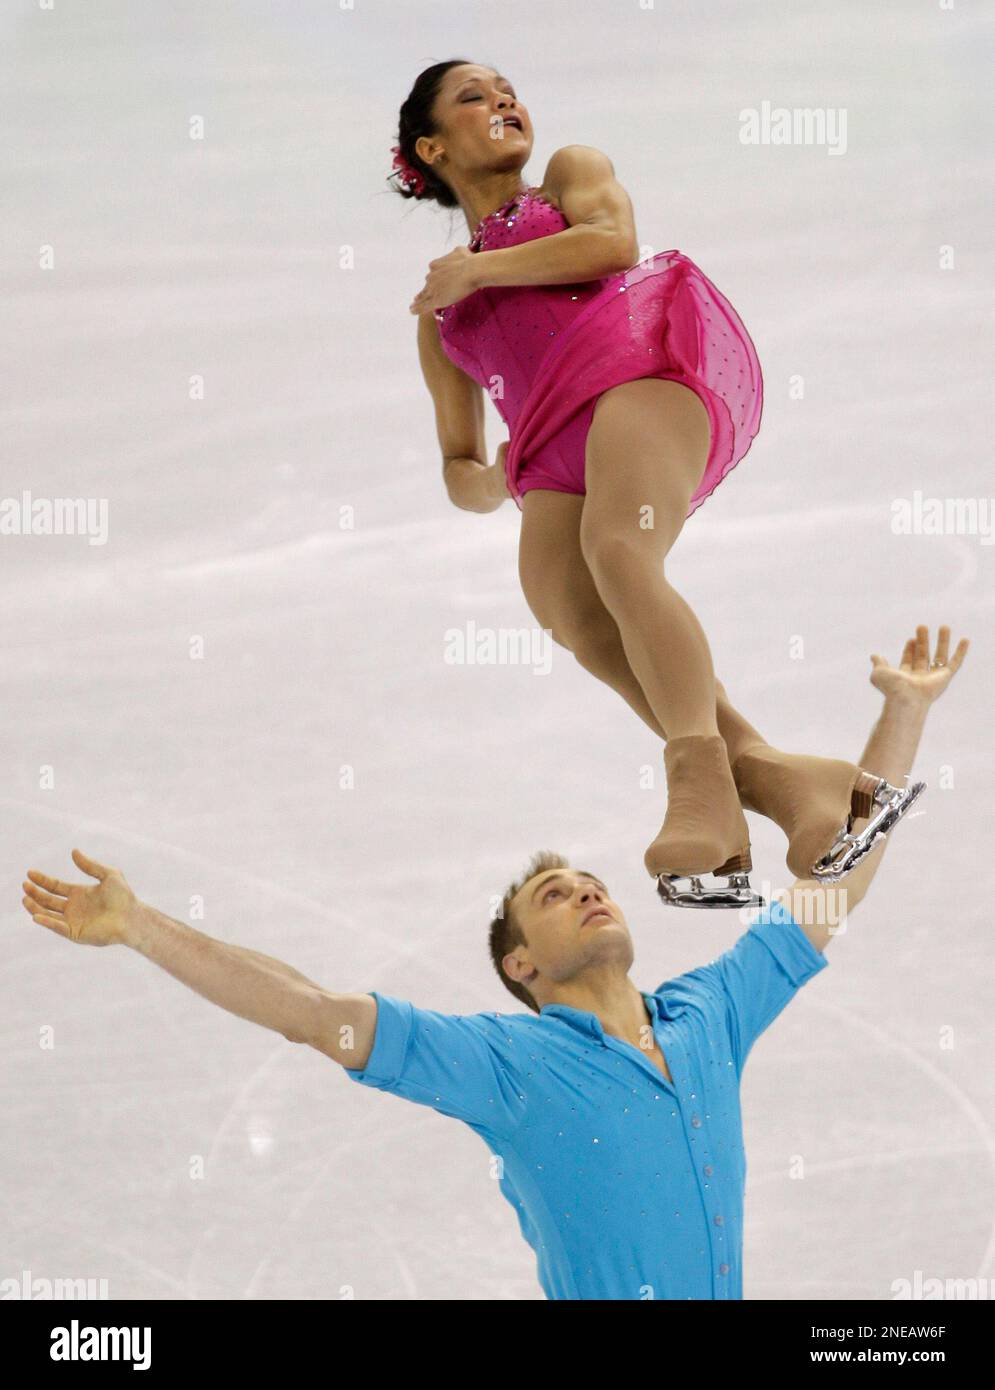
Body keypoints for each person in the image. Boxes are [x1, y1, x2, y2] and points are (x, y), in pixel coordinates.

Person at [20, 624, 968, 1300]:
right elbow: (313, 1011)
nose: (588, 890)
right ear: (521, 968)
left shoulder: (707, 1014)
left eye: (591, 881)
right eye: (553, 896)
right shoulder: (509, 1067)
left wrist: (903, 718)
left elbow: (831, 889)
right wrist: (143, 926)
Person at [393, 59, 925, 907]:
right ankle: (790, 785)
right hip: (552, 451)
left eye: (506, 88)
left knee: (617, 548)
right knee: (571, 615)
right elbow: (456, 466)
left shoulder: (568, 176)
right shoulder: (441, 314)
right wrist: (490, 482)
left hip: (644, 372)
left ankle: (700, 787)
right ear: (431, 146)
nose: (502, 99)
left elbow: (613, 245)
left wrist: (481, 271)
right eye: (472, 96)